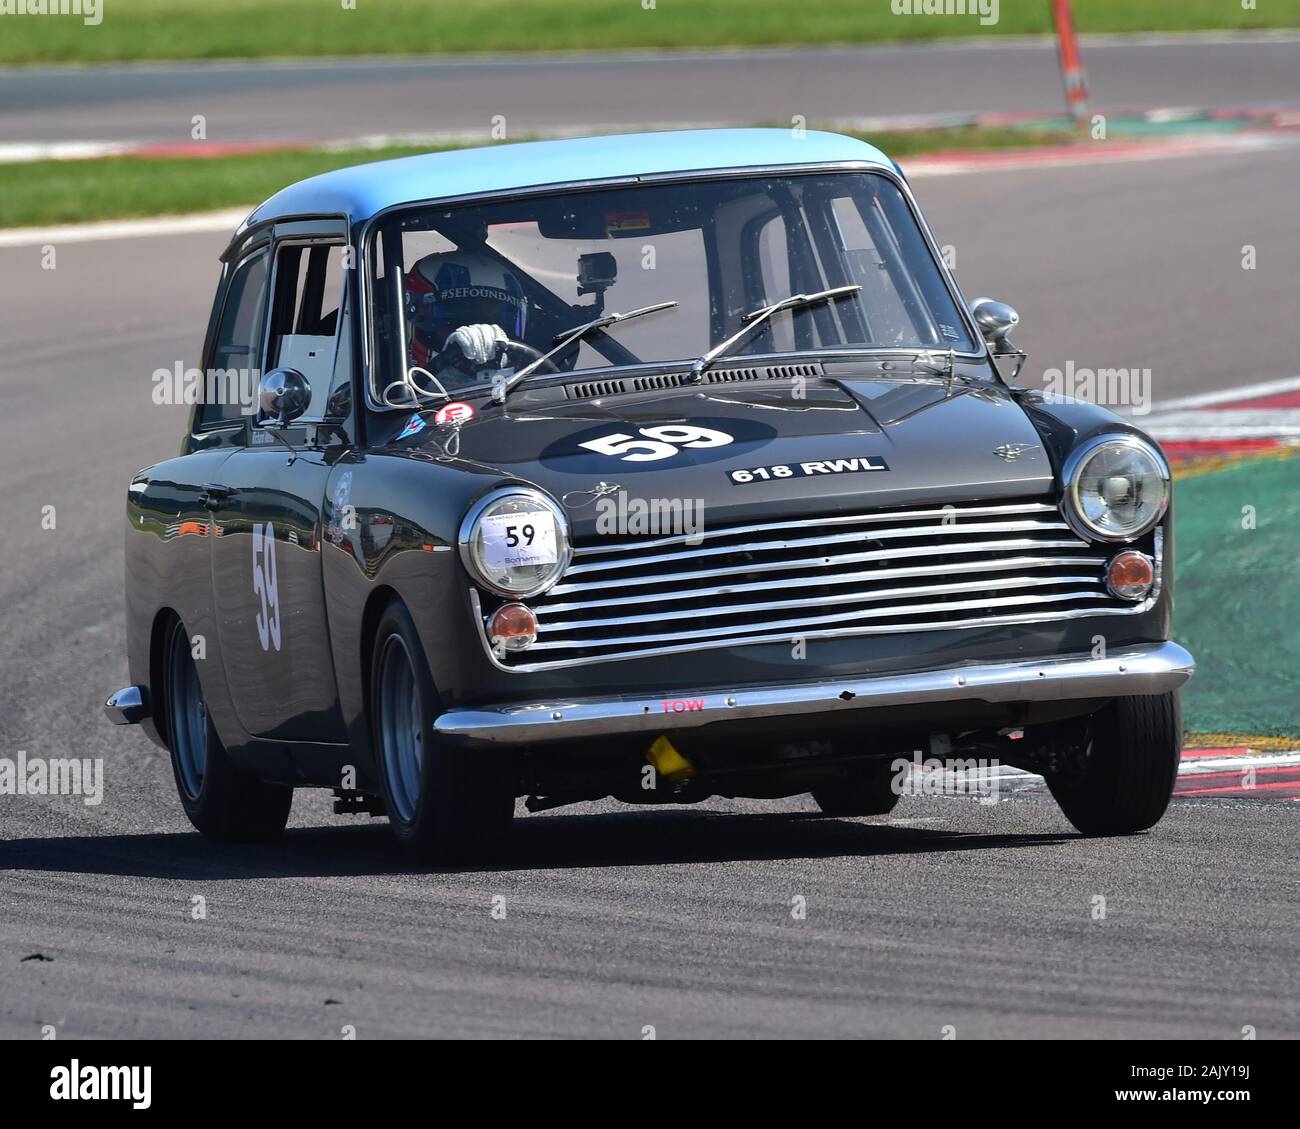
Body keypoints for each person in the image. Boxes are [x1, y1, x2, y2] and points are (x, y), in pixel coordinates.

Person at [403, 250, 529, 385]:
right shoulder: (384, 390)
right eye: (457, 318)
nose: (480, 338)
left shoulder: (537, 375)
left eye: (494, 322)